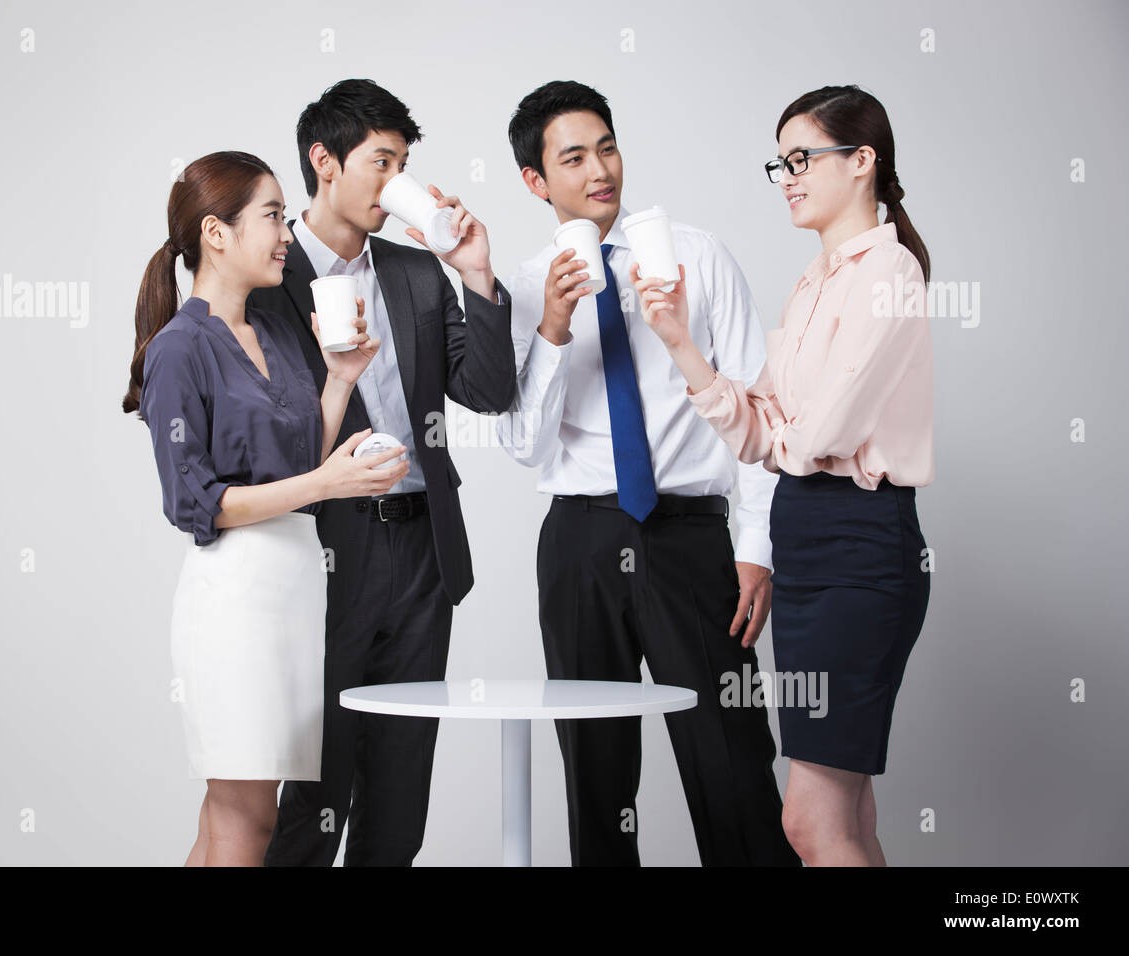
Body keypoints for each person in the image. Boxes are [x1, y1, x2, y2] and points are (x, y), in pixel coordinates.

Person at [497, 80, 799, 866]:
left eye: (607, 146)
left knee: (732, 765)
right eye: (574, 157)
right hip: (580, 545)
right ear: (537, 181)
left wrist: (758, 545)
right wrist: (554, 332)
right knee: (595, 779)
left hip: (690, 538)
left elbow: (759, 404)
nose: (600, 169)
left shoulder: (696, 256)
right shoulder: (525, 288)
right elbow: (524, 444)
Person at [630, 85, 933, 866]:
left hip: (859, 545)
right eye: (782, 163)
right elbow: (759, 430)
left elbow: (819, 432)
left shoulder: (887, 271)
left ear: (862, 161)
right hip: (810, 543)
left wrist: (781, 434)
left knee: (810, 823)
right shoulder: (812, 283)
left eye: (804, 158)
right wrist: (677, 338)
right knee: (849, 818)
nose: (789, 175)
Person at [247, 80, 517, 866]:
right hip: (323, 549)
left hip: (422, 552)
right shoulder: (269, 273)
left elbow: (491, 392)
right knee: (315, 793)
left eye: (405, 162)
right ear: (323, 161)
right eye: (382, 161)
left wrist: (474, 271)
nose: (398, 182)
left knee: (400, 799)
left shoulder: (414, 271)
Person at [121, 151, 408, 866]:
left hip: (293, 592)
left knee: (227, 820)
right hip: (235, 603)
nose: (287, 232)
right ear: (216, 233)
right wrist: (326, 487)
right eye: (273, 215)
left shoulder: (275, 333)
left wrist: (339, 382)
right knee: (247, 823)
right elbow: (195, 502)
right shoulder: (179, 348)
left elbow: (301, 455)